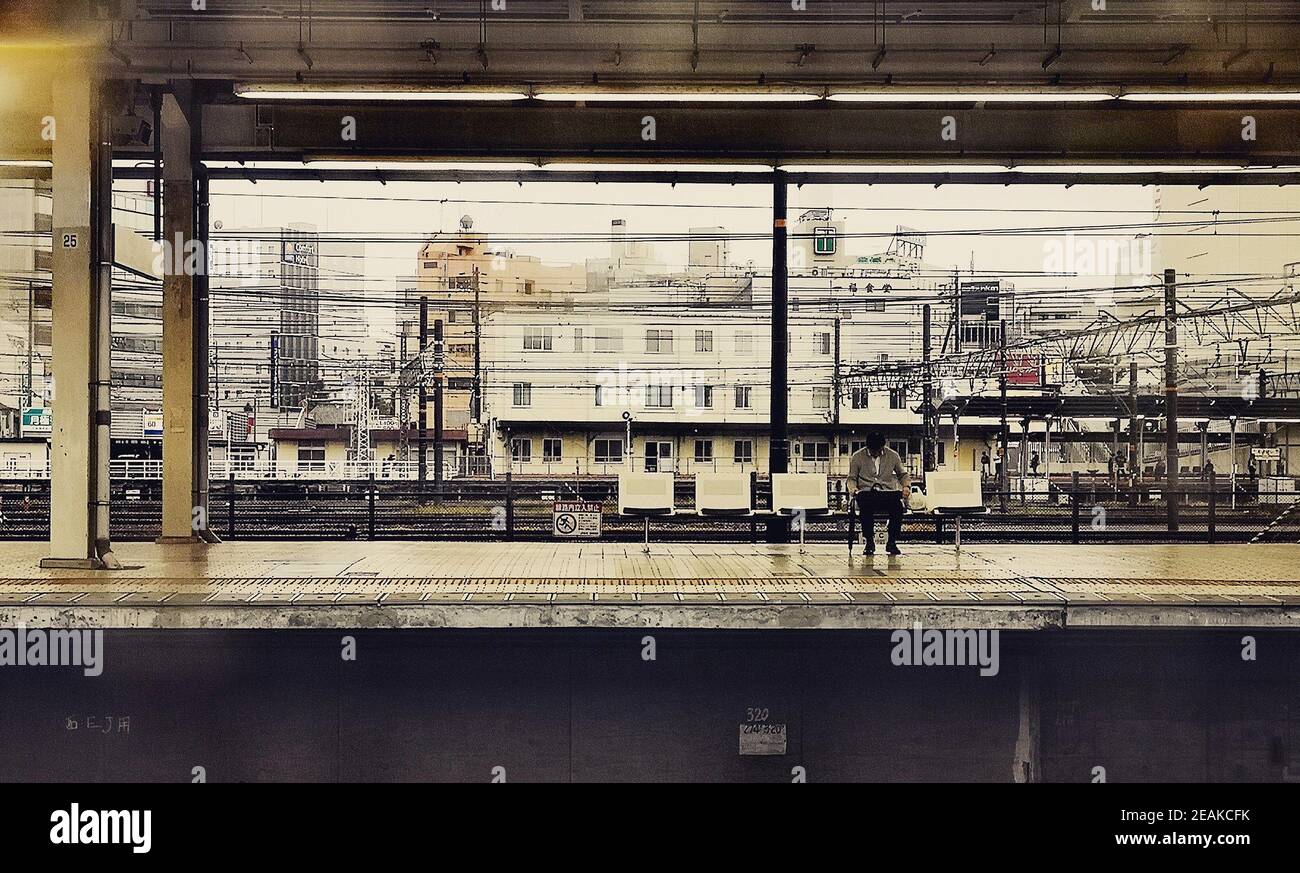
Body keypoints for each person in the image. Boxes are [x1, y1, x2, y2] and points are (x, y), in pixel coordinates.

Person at [848, 432, 909, 556]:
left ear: (883, 447)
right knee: (865, 507)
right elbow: (851, 478)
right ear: (867, 447)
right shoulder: (857, 457)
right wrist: (853, 489)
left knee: (897, 507)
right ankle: (869, 541)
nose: (875, 453)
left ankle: (892, 541)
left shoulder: (893, 455)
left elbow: (902, 474)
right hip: (867, 494)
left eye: (878, 450)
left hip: (887, 493)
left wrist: (906, 486)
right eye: (872, 450)